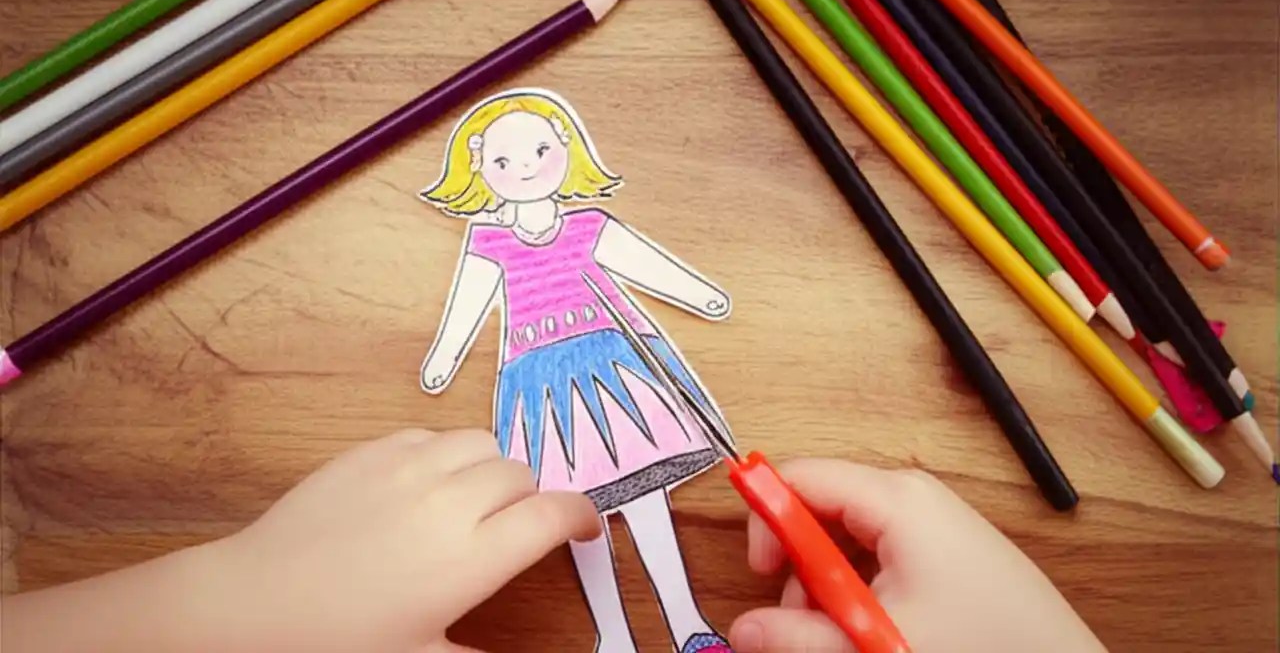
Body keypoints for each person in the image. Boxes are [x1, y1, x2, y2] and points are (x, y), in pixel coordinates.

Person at [0, 428, 1107, 653]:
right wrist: (217, 614)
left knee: (632, 506)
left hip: (607, 391)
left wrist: (220, 612)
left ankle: (680, 620)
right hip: (550, 394)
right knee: (582, 514)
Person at [419, 88, 734, 653]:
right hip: (541, 387)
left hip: (616, 370)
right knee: (576, 515)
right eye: (503, 160)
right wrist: (444, 357)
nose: (525, 168)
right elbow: (469, 301)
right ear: (480, 167)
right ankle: (613, 638)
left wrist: (698, 293)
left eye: (539, 151)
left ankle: (689, 626)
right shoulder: (489, 241)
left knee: (647, 500)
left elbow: (643, 263)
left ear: (566, 145)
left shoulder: (588, 225)